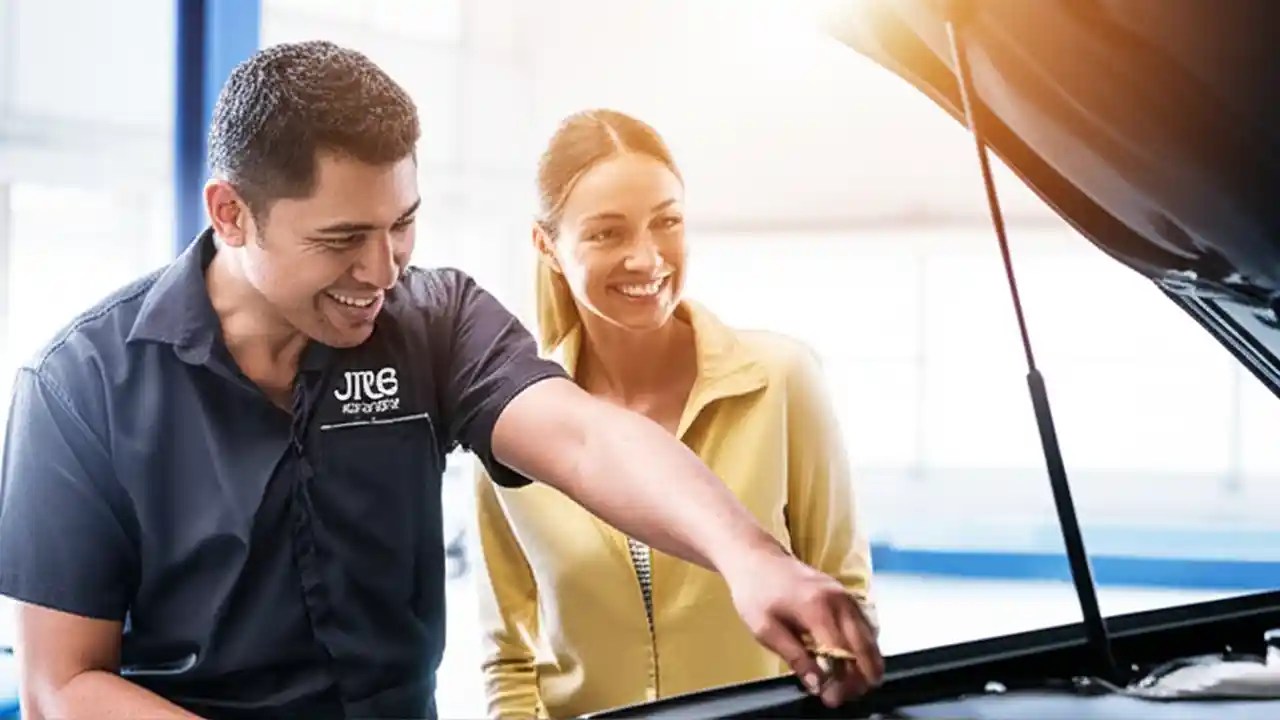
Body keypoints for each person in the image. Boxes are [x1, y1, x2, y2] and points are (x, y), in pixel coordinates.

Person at [0, 42, 880, 720]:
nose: (382, 271)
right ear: (232, 214)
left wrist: (748, 555)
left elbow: (584, 435)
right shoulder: (79, 388)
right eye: (343, 238)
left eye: (404, 224)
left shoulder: (433, 320)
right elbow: (63, 683)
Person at [473, 109, 877, 718]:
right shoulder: (511, 419)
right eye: (608, 233)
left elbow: (844, 598)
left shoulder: (783, 381)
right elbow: (509, 655)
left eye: (667, 222)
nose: (648, 258)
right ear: (546, 245)